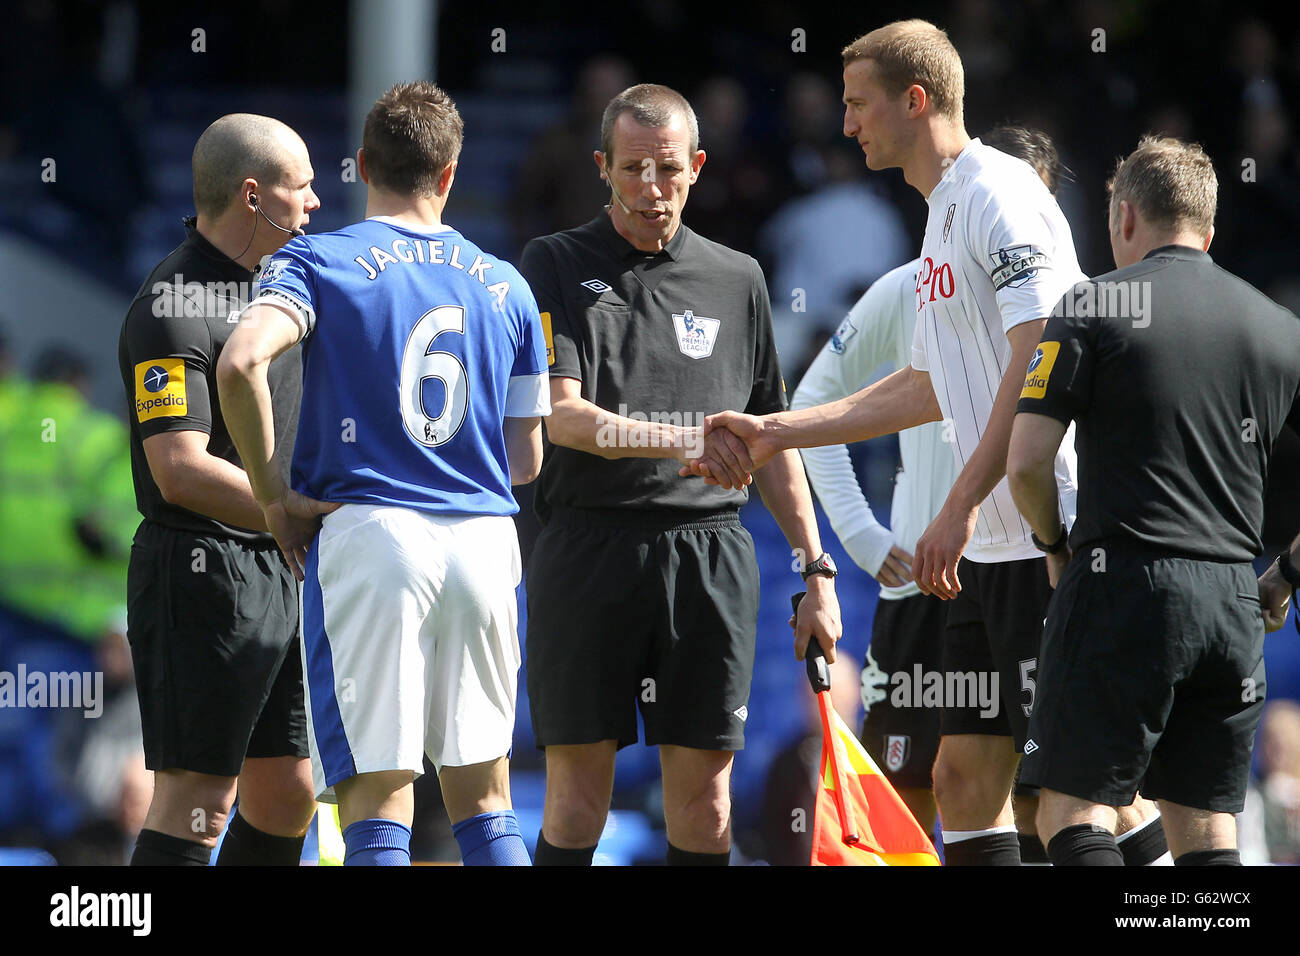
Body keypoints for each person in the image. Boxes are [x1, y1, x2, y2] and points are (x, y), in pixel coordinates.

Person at [688, 20, 1102, 866]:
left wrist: (950, 508)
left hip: (1043, 533)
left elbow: (1037, 371)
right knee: (962, 781)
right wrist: (774, 432)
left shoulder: (999, 192)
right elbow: (925, 387)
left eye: (858, 104)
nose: (845, 125)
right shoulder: (941, 214)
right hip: (983, 553)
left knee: (1081, 796)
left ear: (916, 102)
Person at [218, 81, 548, 867]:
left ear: (362, 164)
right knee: (488, 801)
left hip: (372, 535)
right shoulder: (507, 284)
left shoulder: (319, 258)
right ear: (450, 174)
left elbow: (240, 361)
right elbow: (528, 458)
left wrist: (272, 498)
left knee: (377, 805)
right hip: (485, 540)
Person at [520, 82, 841, 866]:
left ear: (696, 166)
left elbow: (771, 440)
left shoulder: (740, 279)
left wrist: (817, 569)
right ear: (603, 167)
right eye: (632, 169)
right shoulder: (554, 263)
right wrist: (689, 437)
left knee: (706, 806)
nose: (650, 189)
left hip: (707, 555)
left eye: (667, 168)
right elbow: (564, 418)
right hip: (585, 550)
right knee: (576, 801)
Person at [1009, 136, 1300, 865]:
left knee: (1072, 816)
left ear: (1126, 216)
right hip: (1234, 601)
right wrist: (1285, 575)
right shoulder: (1279, 327)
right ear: (1208, 231)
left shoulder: (1094, 303)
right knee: (1206, 835)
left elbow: (1026, 463)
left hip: (1125, 589)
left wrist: (1055, 546)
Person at [793, 125, 1065, 842]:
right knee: (911, 793)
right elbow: (812, 402)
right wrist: (859, 531)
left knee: (1052, 794)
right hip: (924, 582)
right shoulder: (914, 288)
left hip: (1026, 567)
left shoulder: (1072, 304)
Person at [117, 113, 320, 866]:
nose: (315, 201)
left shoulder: (283, 290)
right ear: (253, 195)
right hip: (202, 573)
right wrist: (291, 514)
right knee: (201, 803)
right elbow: (179, 467)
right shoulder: (170, 305)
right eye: (301, 185)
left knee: (290, 792)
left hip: (280, 560)